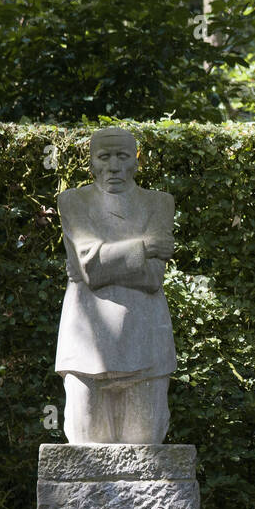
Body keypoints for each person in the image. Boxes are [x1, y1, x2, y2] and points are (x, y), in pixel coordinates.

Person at [55, 127, 176, 444]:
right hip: (85, 346)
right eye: (104, 157)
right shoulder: (73, 202)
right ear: (92, 163)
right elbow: (91, 265)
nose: (112, 166)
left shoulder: (159, 204)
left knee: (146, 447)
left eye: (122, 156)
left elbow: (152, 278)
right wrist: (146, 246)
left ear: (135, 162)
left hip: (146, 340)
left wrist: (101, 263)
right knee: (85, 448)